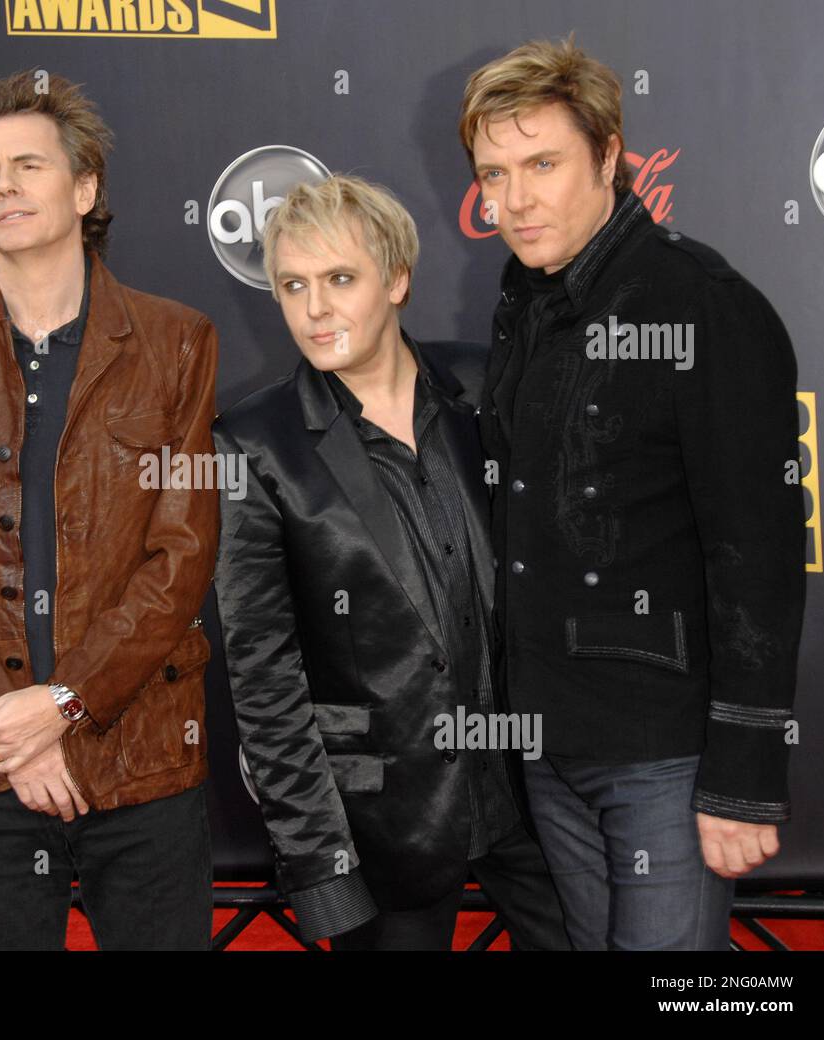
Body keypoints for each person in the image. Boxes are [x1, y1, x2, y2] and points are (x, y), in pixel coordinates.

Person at [458, 35, 806, 950]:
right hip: (549, 742)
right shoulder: (525, 300)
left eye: (542, 163)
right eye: (494, 174)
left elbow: (760, 552)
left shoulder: (699, 302)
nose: (515, 199)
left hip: (664, 756)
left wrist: (742, 776)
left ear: (610, 157)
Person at [0, 70, 220, 951]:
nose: (5, 187)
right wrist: (8, 725)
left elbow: (182, 553)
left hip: (140, 754)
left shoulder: (176, 341)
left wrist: (63, 703)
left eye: (28, 165)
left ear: (85, 187)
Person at [212, 174, 570, 950]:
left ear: (397, 279)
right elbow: (265, 679)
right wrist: (322, 870)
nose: (315, 309)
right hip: (381, 824)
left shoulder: (486, 388)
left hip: (535, 797)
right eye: (293, 285)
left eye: (340, 279)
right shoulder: (254, 442)